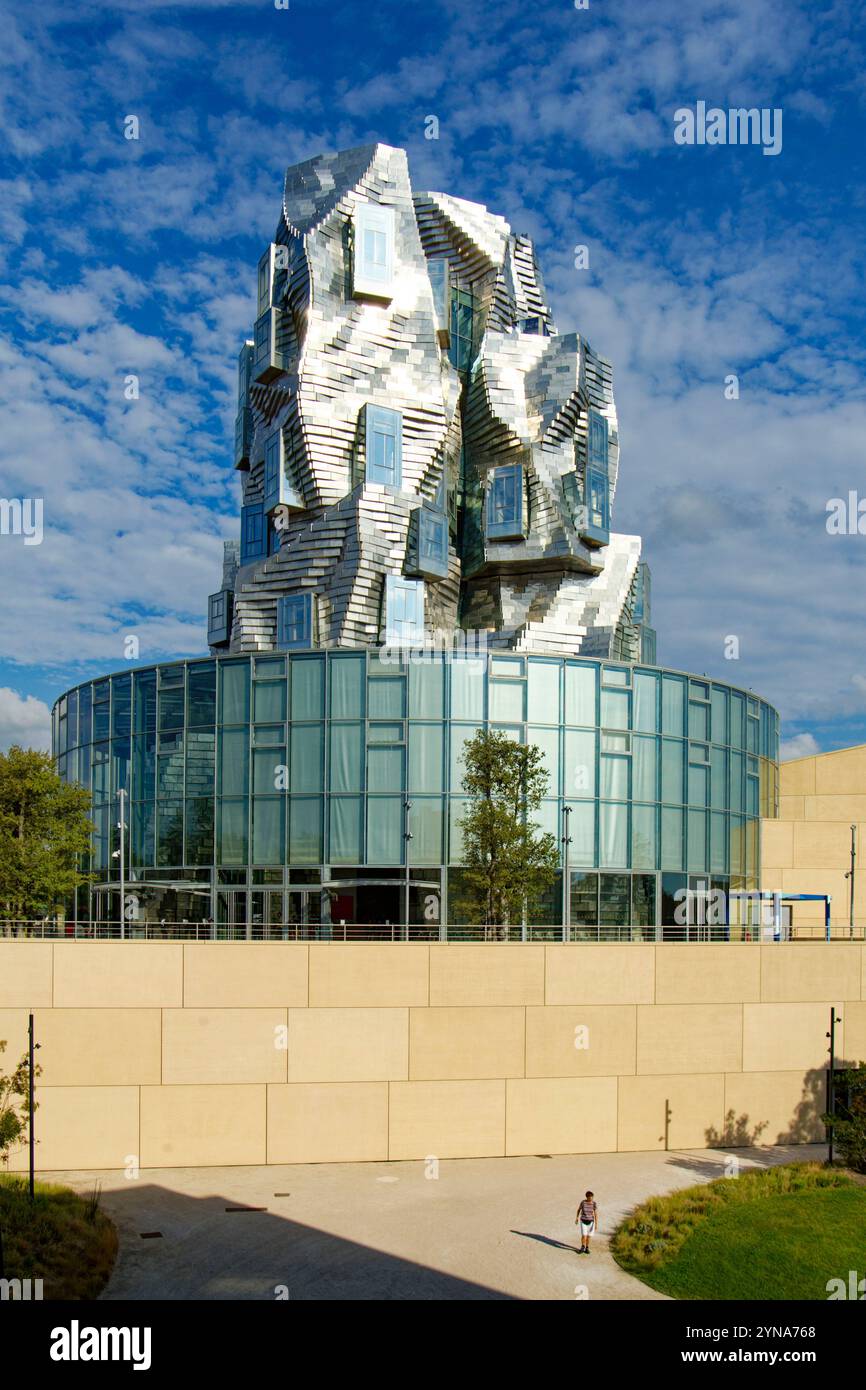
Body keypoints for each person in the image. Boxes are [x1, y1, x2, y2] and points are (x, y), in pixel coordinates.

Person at [575, 1190, 598, 1254]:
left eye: (592, 1197)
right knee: (584, 1235)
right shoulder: (583, 1202)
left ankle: (587, 1248)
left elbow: (595, 1214)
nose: (591, 1199)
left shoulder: (594, 1203)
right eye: (590, 1197)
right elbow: (578, 1210)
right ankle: (582, 1247)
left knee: (589, 1236)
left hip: (591, 1222)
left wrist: (596, 1224)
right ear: (587, 1197)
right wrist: (576, 1218)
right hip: (583, 1221)